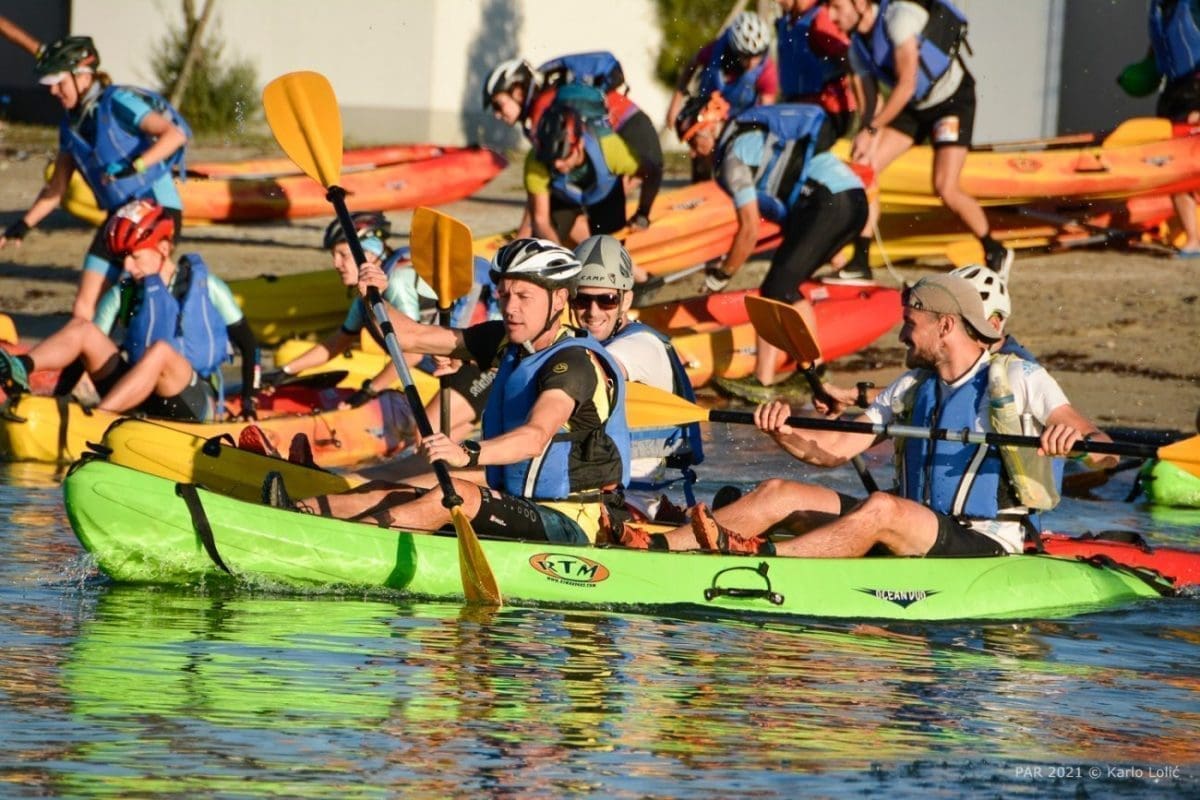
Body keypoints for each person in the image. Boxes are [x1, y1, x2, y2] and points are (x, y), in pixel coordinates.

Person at [622, 273, 1118, 556]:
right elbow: (831, 451)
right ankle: (658, 549)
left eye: (910, 325)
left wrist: (1080, 446)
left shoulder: (1018, 378)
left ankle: (767, 560)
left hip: (984, 539)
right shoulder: (911, 387)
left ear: (946, 326)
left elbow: (1099, 444)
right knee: (781, 491)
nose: (902, 337)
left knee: (881, 507)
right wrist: (782, 433)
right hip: (914, 524)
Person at [264, 238, 632, 547]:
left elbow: (534, 438)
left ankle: (335, 548)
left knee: (454, 492)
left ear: (558, 300)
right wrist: (373, 296)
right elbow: (411, 336)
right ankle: (292, 514)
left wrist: (465, 452)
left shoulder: (574, 363)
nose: (511, 308)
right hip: (521, 503)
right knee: (394, 490)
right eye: (504, 295)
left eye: (523, 296)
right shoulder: (506, 341)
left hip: (574, 523)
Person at [0, 199, 256, 422]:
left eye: (135, 257)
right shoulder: (123, 293)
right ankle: (18, 366)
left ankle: (100, 419)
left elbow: (249, 345)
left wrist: (248, 402)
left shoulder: (208, 286)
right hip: (135, 396)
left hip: (194, 400)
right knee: (83, 327)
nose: (128, 267)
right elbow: (82, 351)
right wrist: (59, 399)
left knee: (161, 352)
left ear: (164, 248)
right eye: (123, 258)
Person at [676, 97, 870, 386]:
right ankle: (814, 373)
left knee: (772, 292)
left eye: (692, 141)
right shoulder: (749, 136)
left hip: (830, 201)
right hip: (852, 199)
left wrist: (722, 274)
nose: (692, 153)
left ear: (709, 128)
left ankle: (762, 381)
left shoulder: (732, 159)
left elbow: (750, 230)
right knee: (786, 287)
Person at [0, 36, 190, 320]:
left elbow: (174, 135)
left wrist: (134, 165)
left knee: (140, 304)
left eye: (59, 82)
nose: (53, 90)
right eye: (50, 84)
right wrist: (24, 225)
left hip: (156, 208)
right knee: (83, 308)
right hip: (118, 218)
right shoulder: (69, 126)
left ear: (83, 77)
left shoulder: (119, 102)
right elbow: (57, 188)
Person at [260, 212, 493, 441]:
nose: (336, 264)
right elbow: (338, 341)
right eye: (333, 256)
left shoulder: (398, 283)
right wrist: (285, 372)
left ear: (369, 254)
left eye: (343, 254)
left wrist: (369, 390)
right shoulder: (365, 300)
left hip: (485, 366)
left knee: (426, 435)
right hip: (459, 371)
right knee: (440, 445)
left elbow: (411, 351)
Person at [824, 0, 1014, 278]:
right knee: (866, 167)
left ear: (860, 4)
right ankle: (861, 263)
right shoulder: (857, 48)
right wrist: (864, 135)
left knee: (945, 187)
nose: (830, 16)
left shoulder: (898, 19)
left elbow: (907, 83)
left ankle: (995, 248)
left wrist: (873, 129)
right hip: (913, 107)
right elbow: (871, 103)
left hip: (950, 101)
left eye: (837, 7)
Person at [569, 234, 703, 499]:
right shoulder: (584, 342)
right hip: (594, 490)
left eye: (607, 299)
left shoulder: (640, 346)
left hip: (634, 502)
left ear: (626, 301)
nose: (593, 312)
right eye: (582, 300)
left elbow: (591, 372)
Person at [482, 53, 663, 229]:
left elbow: (542, 179)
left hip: (629, 125)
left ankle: (638, 220)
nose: (497, 114)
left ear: (518, 92)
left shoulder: (543, 112)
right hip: (627, 123)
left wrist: (527, 231)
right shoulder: (546, 103)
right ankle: (602, 227)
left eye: (498, 105)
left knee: (642, 171)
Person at [666, 11, 779, 181]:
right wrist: (675, 104)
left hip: (741, 119)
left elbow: (765, 112)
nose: (752, 63)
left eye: (757, 56)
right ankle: (700, 185)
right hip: (708, 114)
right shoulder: (716, 50)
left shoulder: (767, 71)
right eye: (746, 56)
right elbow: (691, 65)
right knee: (701, 140)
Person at [525, 103, 641, 247]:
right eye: (551, 159)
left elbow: (649, 171)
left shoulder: (608, 146)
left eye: (563, 157)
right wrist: (557, 257)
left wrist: (643, 212)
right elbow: (540, 220)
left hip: (604, 194)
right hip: (564, 199)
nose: (557, 165)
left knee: (610, 249)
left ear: (579, 143)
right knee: (544, 245)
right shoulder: (536, 160)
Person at [1149, 0, 1200, 256]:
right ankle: (1193, 239)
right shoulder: (1159, 9)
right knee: (1176, 172)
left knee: (1189, 172)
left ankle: (1194, 238)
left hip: (1195, 95)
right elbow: (1155, 57)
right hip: (1174, 95)